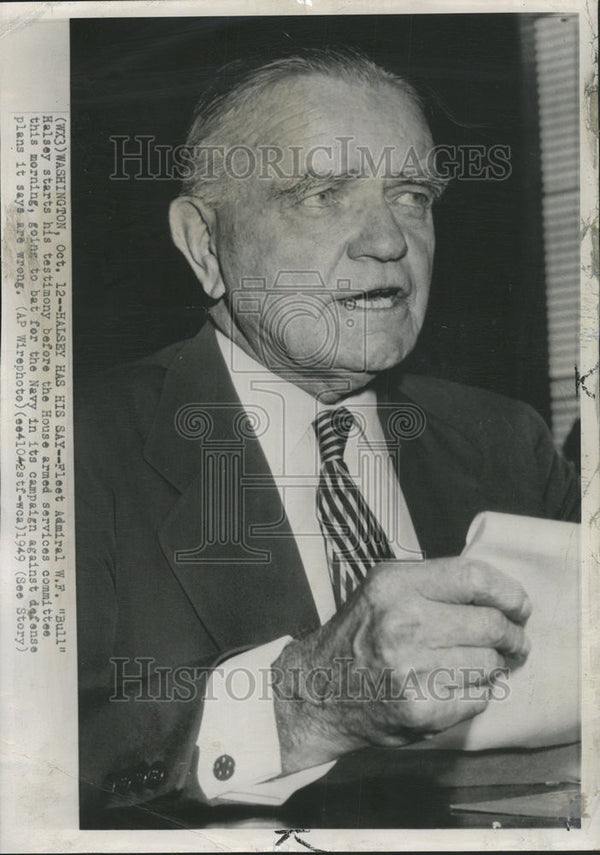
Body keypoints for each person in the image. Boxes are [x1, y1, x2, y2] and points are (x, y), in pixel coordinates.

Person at [75, 49, 579, 822]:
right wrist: (305, 704)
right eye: (321, 194)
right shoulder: (73, 452)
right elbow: (36, 757)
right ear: (205, 244)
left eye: (412, 195)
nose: (388, 240)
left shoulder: (508, 441)